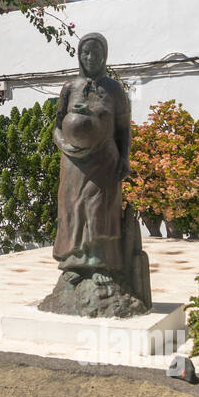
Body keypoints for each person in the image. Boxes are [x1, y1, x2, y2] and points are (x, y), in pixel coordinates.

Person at [52, 33, 131, 279]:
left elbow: (124, 129)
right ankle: (74, 265)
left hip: (105, 159)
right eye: (85, 52)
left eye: (96, 53)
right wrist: (66, 145)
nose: (90, 57)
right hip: (74, 160)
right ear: (79, 56)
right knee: (72, 209)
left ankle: (101, 263)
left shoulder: (114, 89)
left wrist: (125, 158)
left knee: (100, 209)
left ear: (104, 56)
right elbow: (56, 127)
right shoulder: (70, 88)